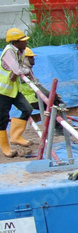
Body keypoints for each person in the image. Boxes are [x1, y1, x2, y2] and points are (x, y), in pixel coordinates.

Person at [0, 28, 35, 157]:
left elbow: (23, 68)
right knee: (2, 119)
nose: (25, 44)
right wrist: (23, 71)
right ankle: (5, 147)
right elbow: (17, 69)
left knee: (27, 109)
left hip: (13, 90)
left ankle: (15, 136)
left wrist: (30, 76)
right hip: (2, 91)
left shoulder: (20, 51)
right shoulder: (9, 52)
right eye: (23, 41)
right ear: (15, 42)